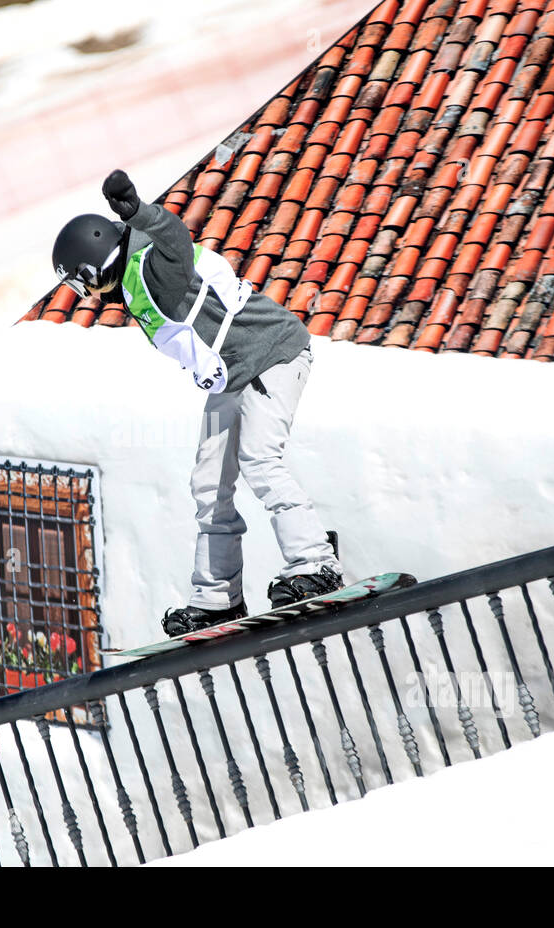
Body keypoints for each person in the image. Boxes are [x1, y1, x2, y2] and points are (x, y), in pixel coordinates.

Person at [52, 169, 344, 637]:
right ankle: (218, 598)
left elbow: (175, 239)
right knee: (209, 482)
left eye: (77, 283)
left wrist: (138, 209)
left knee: (259, 458)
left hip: (272, 354)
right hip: (230, 375)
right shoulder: (131, 282)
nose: (80, 293)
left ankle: (316, 564)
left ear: (92, 270)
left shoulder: (150, 267)